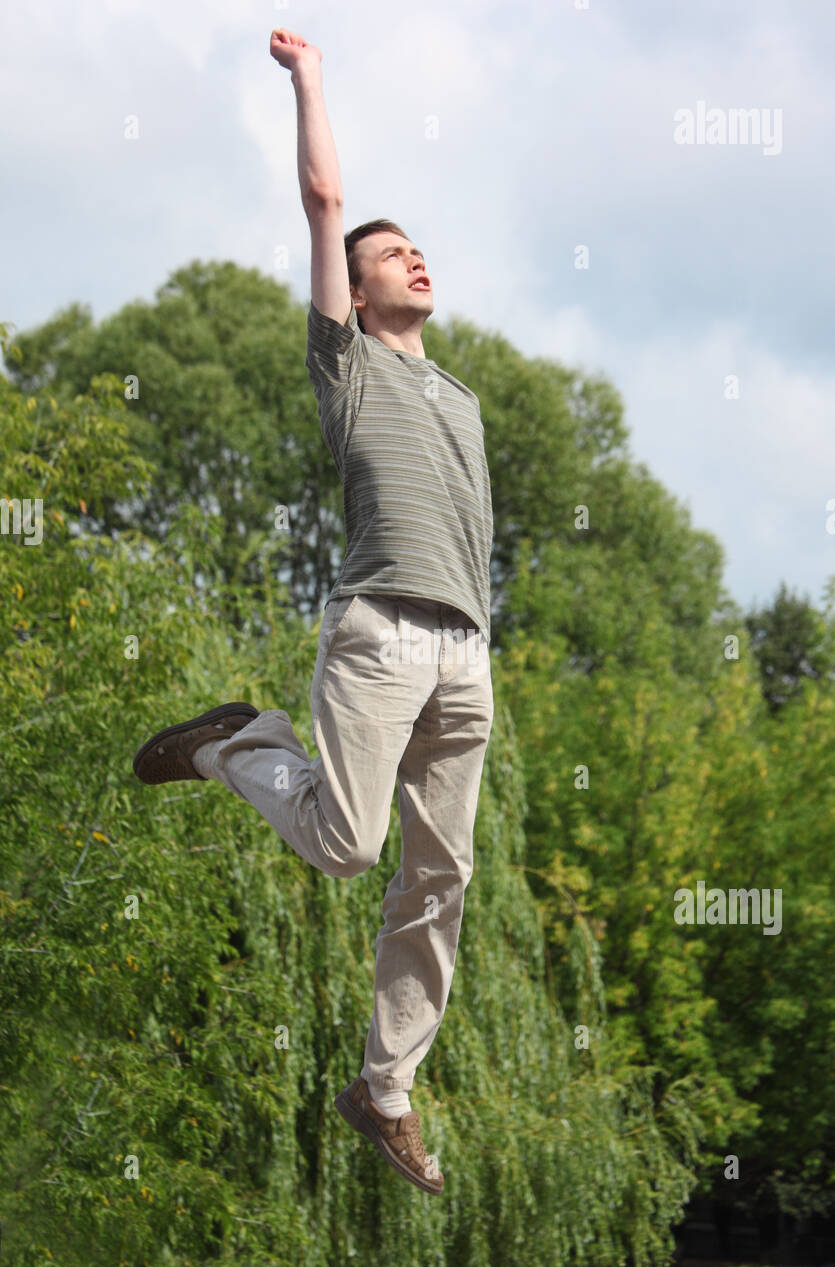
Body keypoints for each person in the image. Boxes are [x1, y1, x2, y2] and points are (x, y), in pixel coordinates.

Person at [132, 27, 494, 1197]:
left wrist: (477, 650)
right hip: (378, 630)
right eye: (392, 256)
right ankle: (244, 744)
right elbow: (323, 194)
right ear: (360, 283)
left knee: (441, 877)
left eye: (418, 250)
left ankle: (383, 1086)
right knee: (345, 848)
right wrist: (311, 76)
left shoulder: (465, 401)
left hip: (464, 651)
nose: (412, 261)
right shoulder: (347, 367)